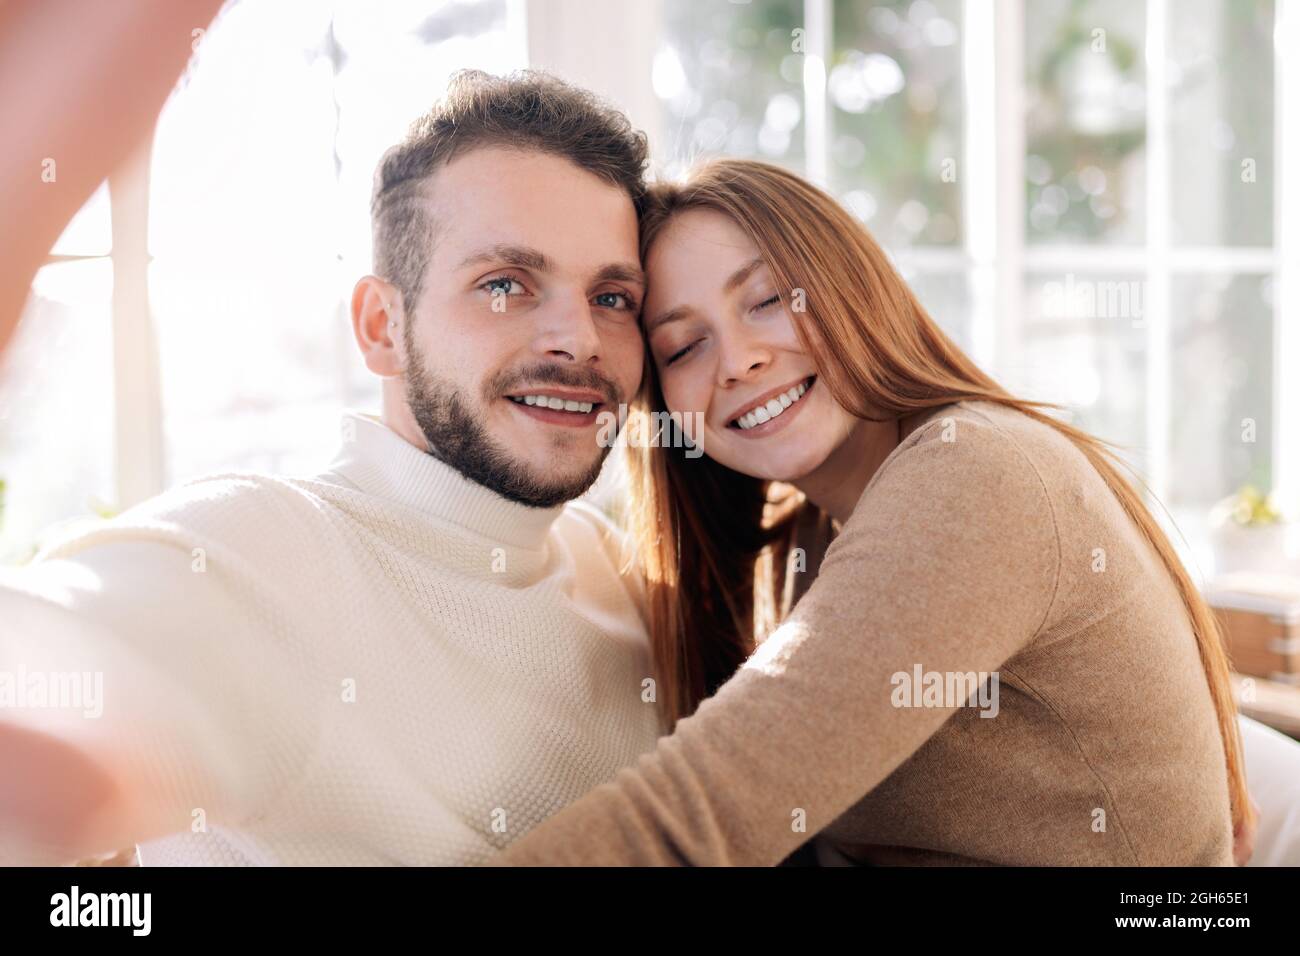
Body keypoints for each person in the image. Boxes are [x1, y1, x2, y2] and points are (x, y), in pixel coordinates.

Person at [492, 158, 1265, 866]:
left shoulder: (975, 473)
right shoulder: (810, 534)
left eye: (767, 300)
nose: (738, 361)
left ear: (851, 286)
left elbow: (703, 814)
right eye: (684, 348)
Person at [0, 70, 664, 865]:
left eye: (612, 297)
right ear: (382, 326)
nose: (579, 339)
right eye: (504, 285)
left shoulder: (611, 566)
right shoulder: (251, 559)